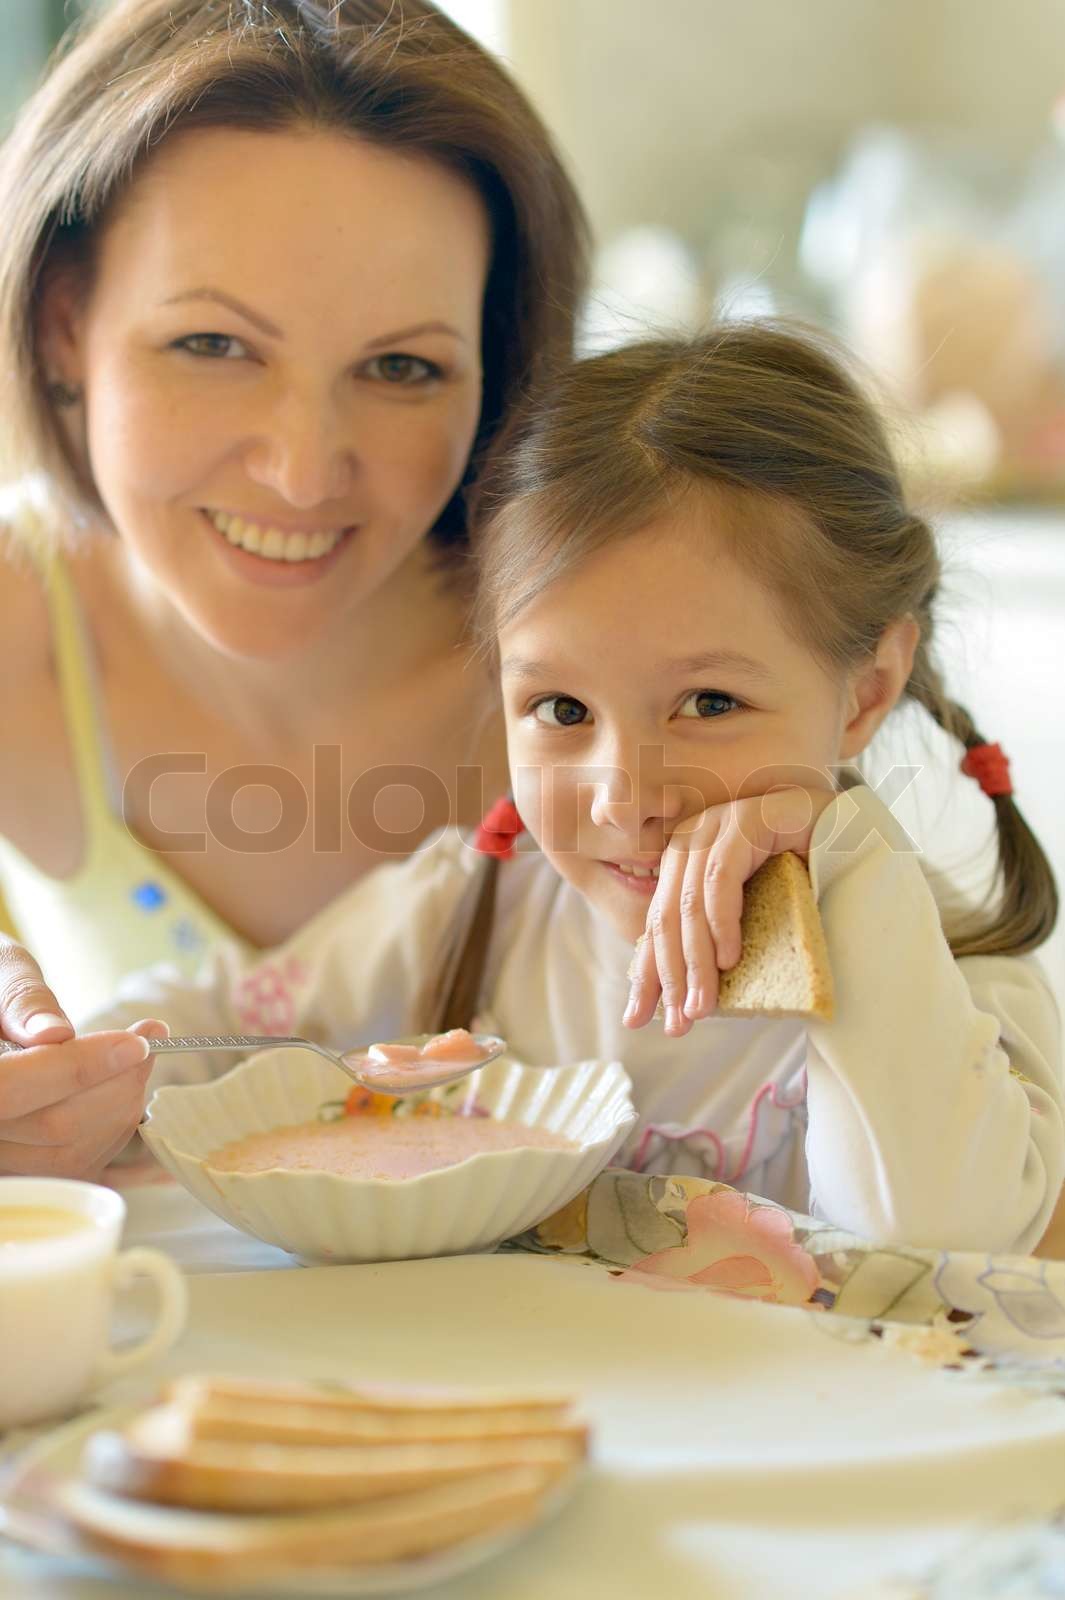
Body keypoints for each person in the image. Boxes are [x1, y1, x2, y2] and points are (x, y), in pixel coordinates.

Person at [82, 322, 1063, 1252]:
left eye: (709, 702)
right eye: (560, 711)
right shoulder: (469, 913)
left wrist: (844, 871)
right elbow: (206, 1031)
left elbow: (937, 1242)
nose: (622, 797)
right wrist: (62, 1067)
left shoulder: (954, 970)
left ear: (868, 690)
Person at [0, 0, 586, 1179]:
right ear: (66, 328)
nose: (304, 469)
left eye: (402, 366)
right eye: (213, 346)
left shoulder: (617, 644)